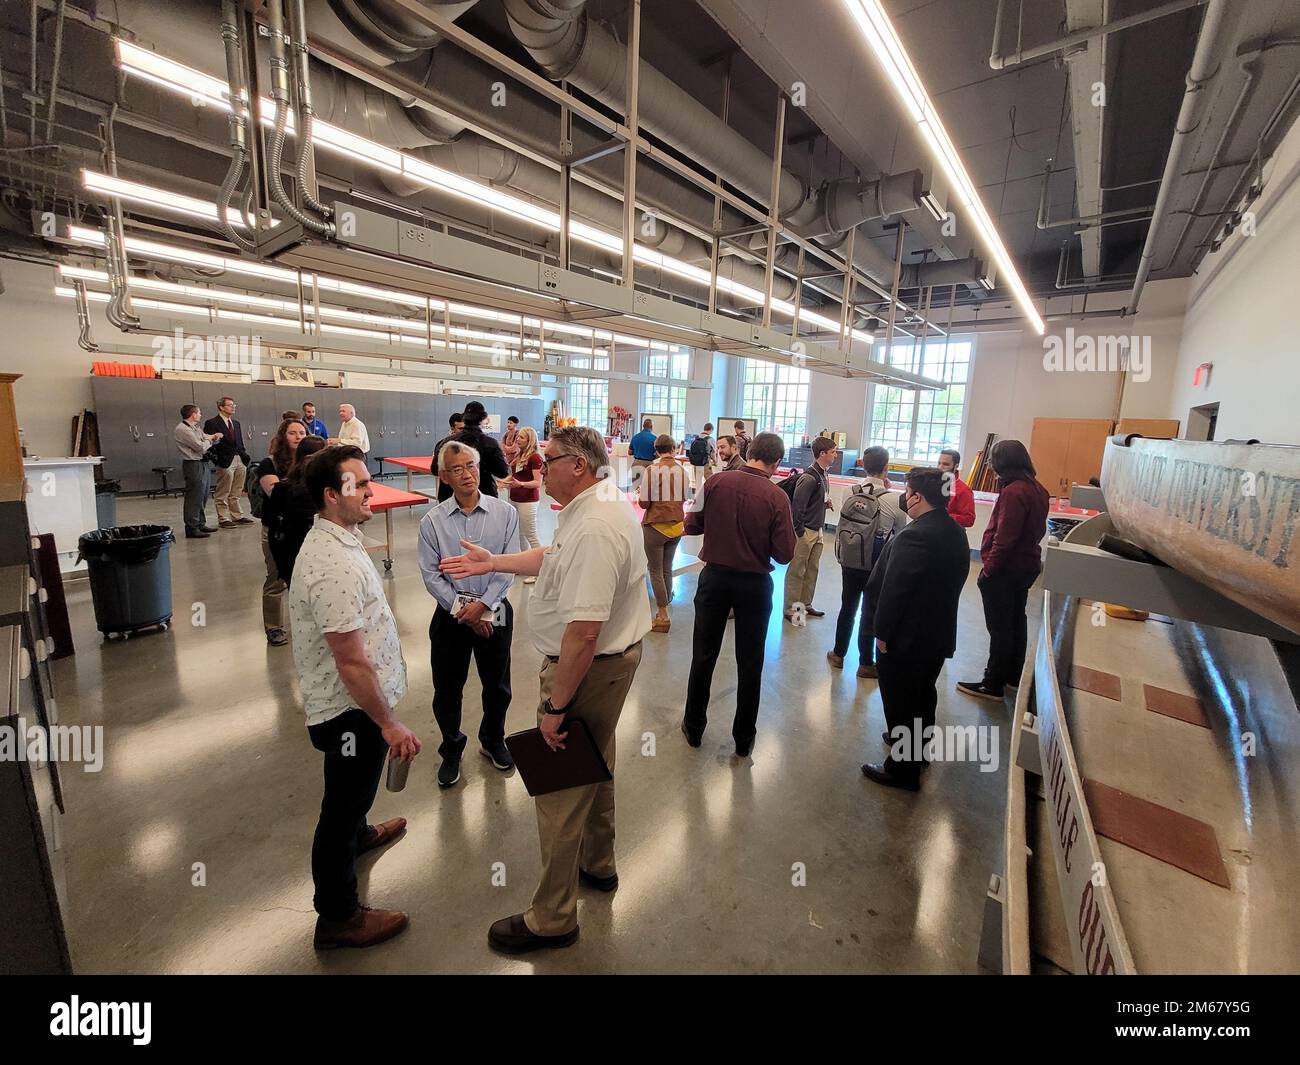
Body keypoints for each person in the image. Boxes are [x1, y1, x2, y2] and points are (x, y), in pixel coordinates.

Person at [440, 427, 649, 954]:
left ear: (577, 464)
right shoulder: (597, 504)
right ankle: (598, 865)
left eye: (546, 460)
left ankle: (553, 917)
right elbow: (553, 557)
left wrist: (556, 706)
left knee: (560, 789)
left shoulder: (598, 525)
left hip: (587, 671)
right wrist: (494, 563)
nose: (536, 468)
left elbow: (584, 631)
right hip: (606, 666)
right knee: (596, 766)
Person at [289, 445, 421, 950]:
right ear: (330, 495)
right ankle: (339, 916)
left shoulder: (342, 538)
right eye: (359, 485)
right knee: (339, 808)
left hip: (357, 705)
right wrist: (388, 723)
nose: (371, 490)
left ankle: (362, 831)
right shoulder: (330, 565)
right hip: (349, 714)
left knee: (353, 796)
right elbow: (350, 662)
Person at [681, 431, 796, 756]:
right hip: (754, 585)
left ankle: (693, 728)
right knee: (750, 662)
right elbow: (785, 554)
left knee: (703, 654)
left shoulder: (716, 482)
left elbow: (691, 525)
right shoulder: (776, 498)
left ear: (749, 451)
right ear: (776, 462)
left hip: (714, 578)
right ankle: (743, 739)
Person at [860, 468, 971, 791]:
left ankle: (902, 770)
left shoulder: (915, 535)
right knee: (923, 694)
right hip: (935, 633)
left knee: (901, 700)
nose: (904, 497)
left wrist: (881, 633)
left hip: (907, 637)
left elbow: (895, 589)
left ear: (917, 497)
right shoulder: (953, 530)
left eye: (907, 492)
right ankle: (916, 749)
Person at [418, 442, 519, 788]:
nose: (467, 474)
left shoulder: (505, 514)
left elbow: (508, 566)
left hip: (496, 610)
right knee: (447, 688)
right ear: (444, 475)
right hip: (451, 614)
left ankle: (493, 739)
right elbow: (431, 575)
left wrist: (486, 607)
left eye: (472, 466)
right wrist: (468, 612)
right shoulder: (433, 522)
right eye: (457, 469)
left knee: (498, 684)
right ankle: (451, 749)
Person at [957, 439, 1049, 702]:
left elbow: (1005, 537)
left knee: (1000, 629)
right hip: (1027, 566)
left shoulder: (1014, 492)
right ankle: (1011, 676)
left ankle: (992, 683)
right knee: (1016, 622)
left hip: (1006, 570)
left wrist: (988, 571)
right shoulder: (1037, 489)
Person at [828, 445, 907, 679]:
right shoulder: (894, 499)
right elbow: (901, 530)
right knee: (870, 610)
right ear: (886, 467)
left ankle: (838, 654)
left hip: (850, 558)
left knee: (848, 606)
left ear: (862, 465)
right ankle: (865, 663)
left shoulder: (849, 492)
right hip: (877, 563)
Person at [254, 418, 308, 646]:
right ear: (283, 436)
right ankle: (274, 627)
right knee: (277, 578)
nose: (298, 437)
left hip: (303, 528)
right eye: (292, 433)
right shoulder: (270, 464)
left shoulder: (309, 463)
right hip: (277, 530)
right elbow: (275, 493)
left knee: (304, 578)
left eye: (302, 432)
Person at [783, 436, 837, 621]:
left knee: (812, 569)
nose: (835, 455)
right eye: (832, 452)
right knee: (797, 570)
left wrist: (824, 502)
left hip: (818, 530)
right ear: (822, 454)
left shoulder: (824, 474)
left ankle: (805, 604)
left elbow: (814, 500)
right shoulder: (809, 477)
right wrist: (800, 533)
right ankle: (791, 609)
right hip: (806, 531)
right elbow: (797, 507)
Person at [639, 434, 688, 634]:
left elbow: (644, 502)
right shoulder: (683, 470)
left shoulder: (652, 470)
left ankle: (663, 615)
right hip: (677, 526)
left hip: (656, 526)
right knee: (667, 568)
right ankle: (666, 600)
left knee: (655, 571)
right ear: (674, 448)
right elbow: (686, 497)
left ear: (656, 449)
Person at [264, 435, 328, 584]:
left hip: (289, 556)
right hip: (310, 555)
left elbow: (273, 528)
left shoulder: (282, 488)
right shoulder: (317, 492)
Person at [432, 400, 508, 503]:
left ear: (464, 418)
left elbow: (435, 469)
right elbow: (503, 472)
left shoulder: (444, 443)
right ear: (483, 419)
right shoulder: (490, 443)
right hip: (483, 496)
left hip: (450, 497)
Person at [500, 426, 543, 582]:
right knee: (519, 534)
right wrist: (504, 482)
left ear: (529, 440)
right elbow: (514, 476)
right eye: (518, 437)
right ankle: (526, 565)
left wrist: (521, 485)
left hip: (528, 501)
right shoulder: (519, 454)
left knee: (530, 534)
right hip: (515, 498)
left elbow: (537, 483)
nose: (517, 439)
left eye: (522, 438)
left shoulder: (535, 458)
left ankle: (540, 569)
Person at [203, 396, 254, 528]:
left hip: (239, 458)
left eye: (234, 405)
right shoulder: (212, 423)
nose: (233, 407)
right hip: (225, 460)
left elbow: (239, 441)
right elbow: (209, 444)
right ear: (221, 407)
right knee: (223, 490)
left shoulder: (236, 423)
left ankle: (237, 516)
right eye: (230, 405)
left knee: (237, 489)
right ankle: (223, 517)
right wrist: (217, 459)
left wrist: (243, 455)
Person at [173, 404, 221, 538]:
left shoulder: (195, 428)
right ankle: (192, 527)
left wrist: (210, 437)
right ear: (193, 414)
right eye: (199, 413)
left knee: (203, 494)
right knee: (194, 496)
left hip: (202, 462)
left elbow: (204, 437)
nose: (200, 415)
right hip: (193, 464)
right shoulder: (182, 429)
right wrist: (210, 440)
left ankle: (200, 523)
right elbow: (200, 446)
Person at [938, 448, 975, 529]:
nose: (940, 467)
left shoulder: (964, 490)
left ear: (956, 466)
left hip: (950, 533)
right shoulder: (932, 484)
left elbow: (969, 519)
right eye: (939, 463)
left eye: (945, 464)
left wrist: (943, 516)